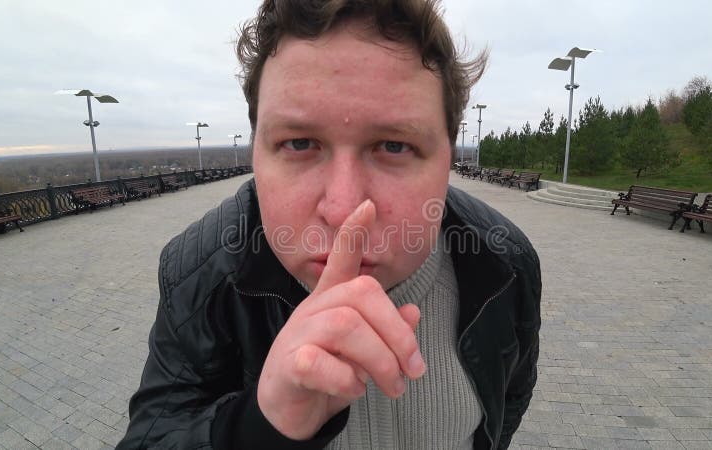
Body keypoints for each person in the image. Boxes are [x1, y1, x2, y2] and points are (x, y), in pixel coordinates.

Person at [117, 0, 541, 448]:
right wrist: (257, 427)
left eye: (394, 146)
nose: (343, 211)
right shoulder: (201, 276)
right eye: (299, 142)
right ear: (254, 154)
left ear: (449, 159)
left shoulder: (505, 265)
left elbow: (510, 397)